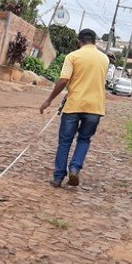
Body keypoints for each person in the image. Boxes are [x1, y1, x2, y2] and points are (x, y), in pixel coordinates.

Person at [39, 28, 109, 187]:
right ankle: (75, 169)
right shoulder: (104, 59)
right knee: (84, 140)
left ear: (79, 41)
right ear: (95, 41)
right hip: (94, 108)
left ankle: (58, 178)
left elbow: (64, 80)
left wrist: (49, 99)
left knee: (65, 142)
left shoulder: (73, 56)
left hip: (74, 105)